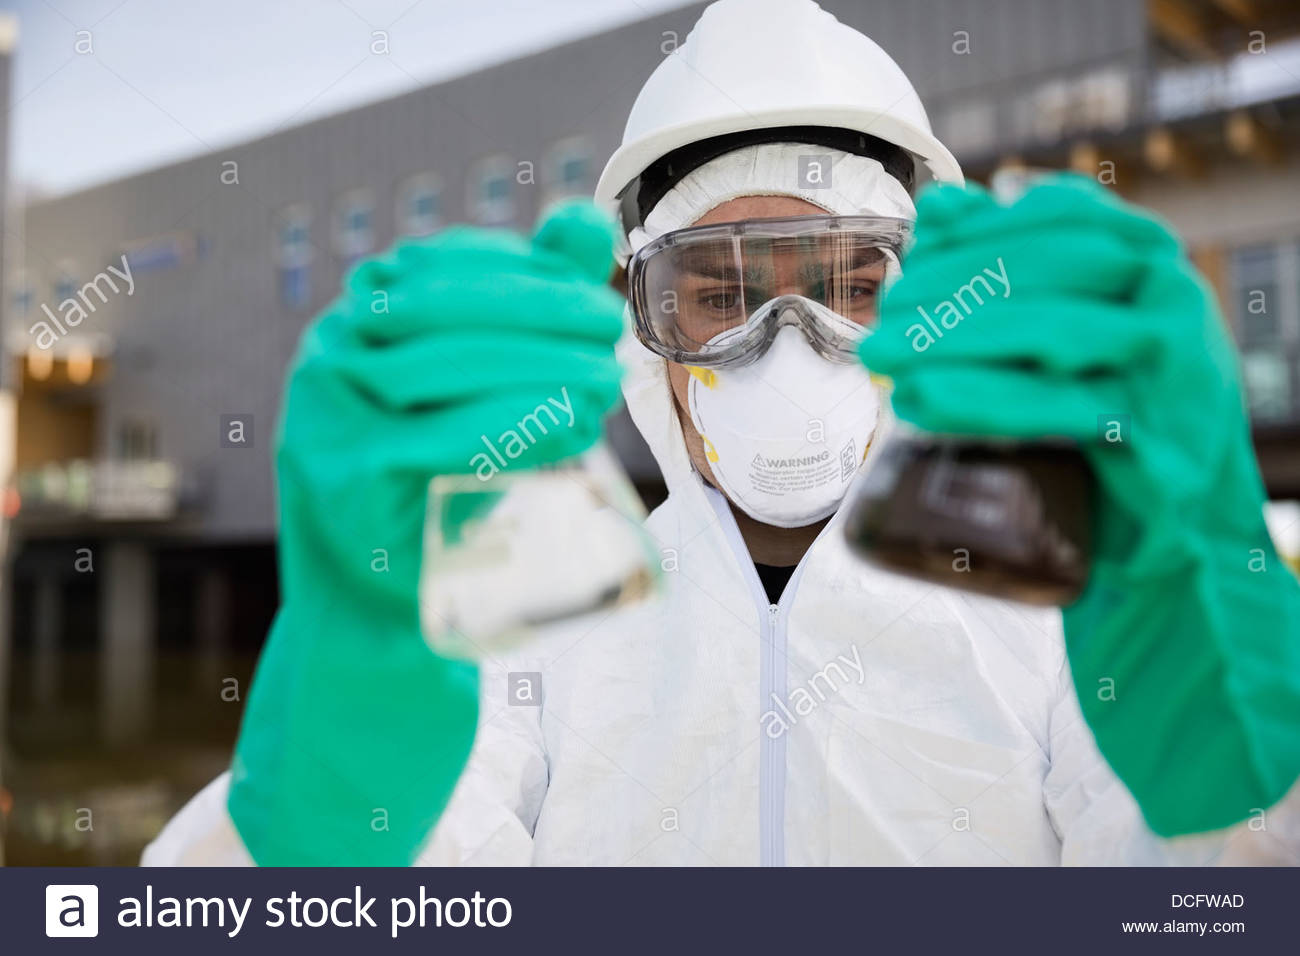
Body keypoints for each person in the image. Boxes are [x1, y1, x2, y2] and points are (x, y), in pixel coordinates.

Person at [144, 0, 1300, 866]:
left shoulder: (1056, 612)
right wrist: (338, 756)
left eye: (849, 285)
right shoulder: (527, 619)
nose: (783, 344)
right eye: (719, 294)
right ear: (645, 334)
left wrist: (1229, 730)